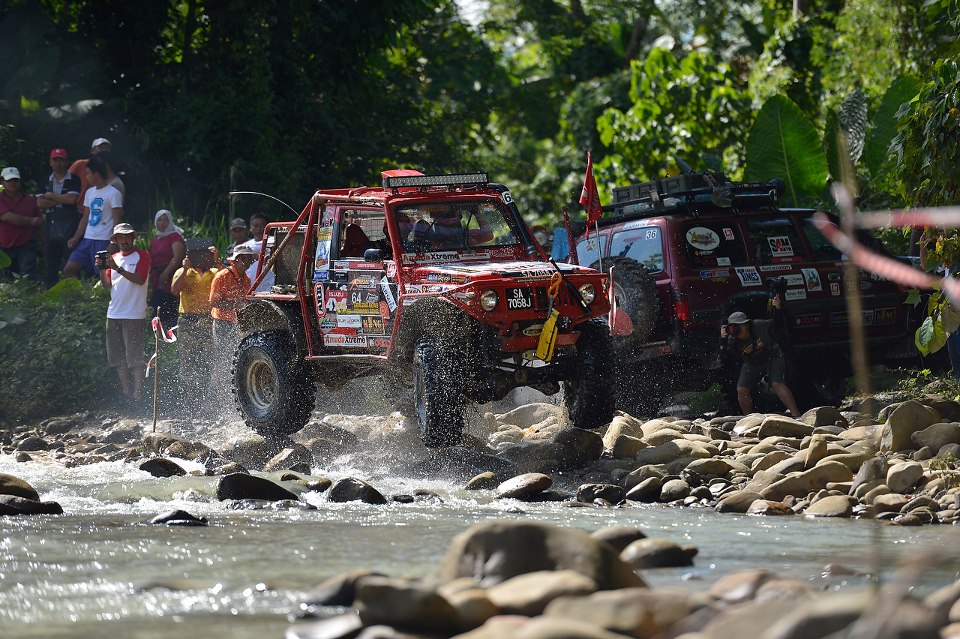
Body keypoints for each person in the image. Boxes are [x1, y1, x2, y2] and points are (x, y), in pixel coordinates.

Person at [721, 298, 800, 416]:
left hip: (773, 356)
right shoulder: (732, 339)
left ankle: (796, 414)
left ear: (747, 324)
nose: (736, 330)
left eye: (739, 326)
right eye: (733, 327)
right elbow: (725, 358)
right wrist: (723, 340)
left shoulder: (758, 325)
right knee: (742, 390)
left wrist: (778, 309)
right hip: (753, 362)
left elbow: (779, 324)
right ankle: (749, 419)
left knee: (776, 383)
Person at [100, 223, 151, 403]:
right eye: (120, 238)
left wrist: (117, 269)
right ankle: (126, 391)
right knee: (117, 356)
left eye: (126, 237)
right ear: (116, 240)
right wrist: (101, 268)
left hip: (134, 313)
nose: (123, 241)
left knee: (135, 356)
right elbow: (107, 285)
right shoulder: (113, 257)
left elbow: (140, 279)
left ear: (132, 238)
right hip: (113, 313)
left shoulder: (142, 256)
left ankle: (138, 393)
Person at [171, 245, 219, 412]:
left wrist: (217, 261)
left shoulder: (215, 273)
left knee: (209, 360)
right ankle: (189, 401)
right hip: (188, 320)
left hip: (208, 319)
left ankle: (207, 401)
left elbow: (224, 283)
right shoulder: (182, 271)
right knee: (188, 362)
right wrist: (185, 269)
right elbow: (175, 291)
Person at [63, 155, 123, 277]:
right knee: (69, 269)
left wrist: (113, 242)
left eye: (88, 173)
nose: (86, 176)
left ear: (96, 174)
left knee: (103, 276)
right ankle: (75, 294)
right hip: (87, 239)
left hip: (103, 239)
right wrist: (76, 237)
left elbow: (117, 220)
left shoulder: (113, 193)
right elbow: (86, 217)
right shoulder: (89, 192)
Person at [209, 244, 257, 376]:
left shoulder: (246, 279)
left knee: (235, 356)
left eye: (249, 259)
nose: (247, 262)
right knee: (222, 359)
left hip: (237, 322)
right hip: (222, 322)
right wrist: (236, 304)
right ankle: (215, 392)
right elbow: (213, 303)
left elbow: (246, 300)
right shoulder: (222, 277)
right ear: (234, 260)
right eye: (244, 259)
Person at [36, 148, 81, 287]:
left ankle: (73, 291)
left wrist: (50, 196)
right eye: (55, 160)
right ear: (50, 162)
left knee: (70, 258)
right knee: (51, 260)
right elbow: (39, 203)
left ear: (67, 162)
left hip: (70, 224)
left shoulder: (74, 179)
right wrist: (61, 199)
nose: (58, 163)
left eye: (61, 160)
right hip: (51, 223)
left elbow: (72, 200)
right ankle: (50, 290)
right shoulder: (45, 180)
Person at [0, 166, 43, 282]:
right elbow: (7, 217)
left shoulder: (30, 201)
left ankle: (31, 299)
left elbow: (39, 223)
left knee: (28, 278)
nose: (12, 183)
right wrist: (30, 221)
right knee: (5, 280)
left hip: (26, 245)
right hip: (4, 247)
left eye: (15, 180)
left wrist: (44, 243)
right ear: (2, 182)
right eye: (9, 180)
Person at [148, 209, 186, 327]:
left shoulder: (174, 237)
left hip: (170, 277)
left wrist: (166, 273)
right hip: (157, 278)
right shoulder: (155, 239)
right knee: (156, 308)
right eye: (159, 220)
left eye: (165, 220)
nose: (162, 223)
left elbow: (178, 256)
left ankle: (170, 335)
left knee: (168, 306)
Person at [70, 137, 121, 213]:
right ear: (92, 150)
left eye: (106, 148)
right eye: (101, 147)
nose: (104, 150)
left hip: (98, 213)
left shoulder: (109, 170)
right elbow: (66, 180)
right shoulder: (80, 164)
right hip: (77, 210)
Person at [239, 212, 274, 291]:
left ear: (268, 227)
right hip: (250, 288)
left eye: (262, 226)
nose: (259, 229)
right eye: (256, 226)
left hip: (272, 287)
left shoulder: (276, 241)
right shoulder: (244, 247)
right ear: (250, 228)